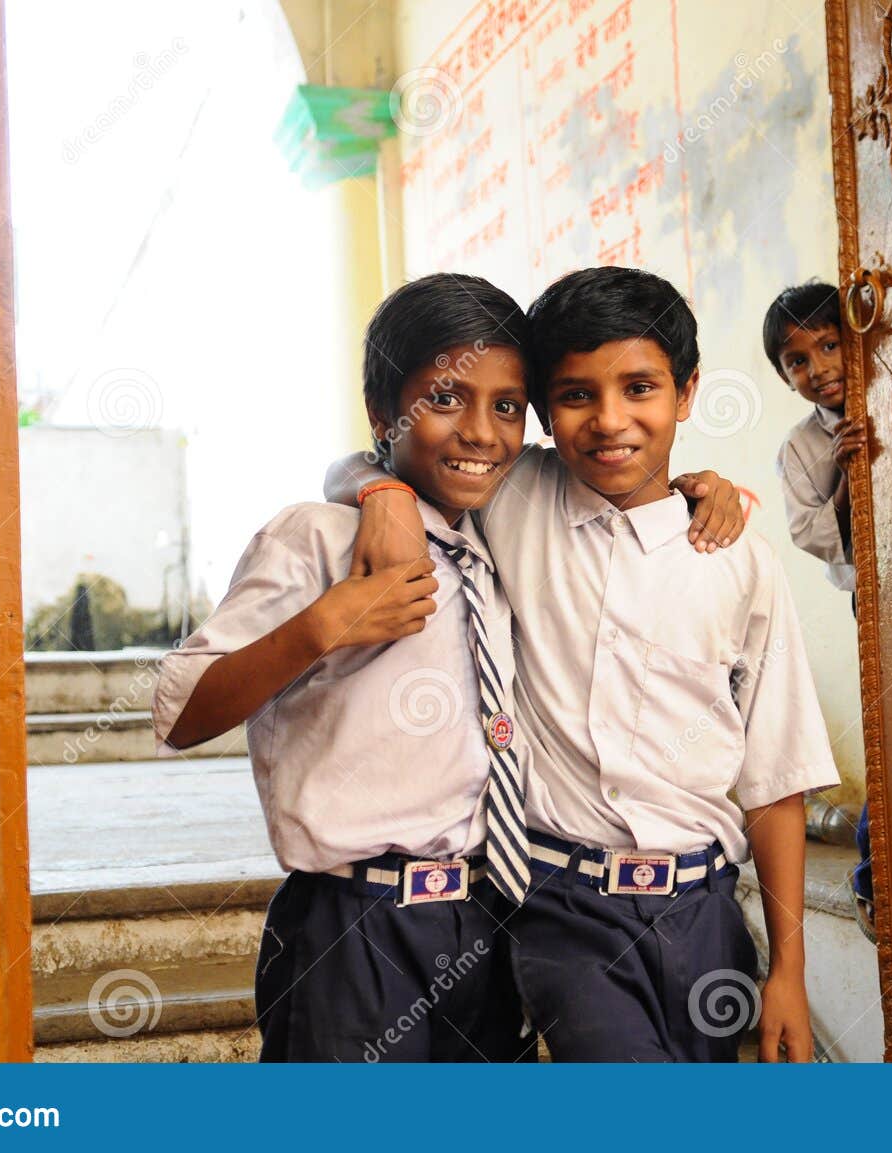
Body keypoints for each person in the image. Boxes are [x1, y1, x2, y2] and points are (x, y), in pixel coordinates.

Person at [333, 267, 838, 1061]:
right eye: (575, 395)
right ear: (542, 408)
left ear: (687, 391)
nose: (609, 420)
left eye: (640, 388)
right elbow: (380, 456)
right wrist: (379, 492)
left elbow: (776, 779)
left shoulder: (739, 559)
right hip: (564, 907)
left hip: (706, 910)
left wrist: (789, 973)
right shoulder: (513, 497)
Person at [152, 273, 536, 1062]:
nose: (480, 432)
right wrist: (325, 623)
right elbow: (180, 711)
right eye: (444, 399)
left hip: (488, 915)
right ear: (383, 413)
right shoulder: (317, 538)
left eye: (506, 406)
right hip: (353, 924)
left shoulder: (507, 528)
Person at [763, 280, 875, 943]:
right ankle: (874, 878)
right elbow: (813, 534)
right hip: (876, 595)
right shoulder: (802, 448)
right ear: (785, 376)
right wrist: (845, 479)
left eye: (830, 345)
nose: (820, 368)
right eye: (798, 361)